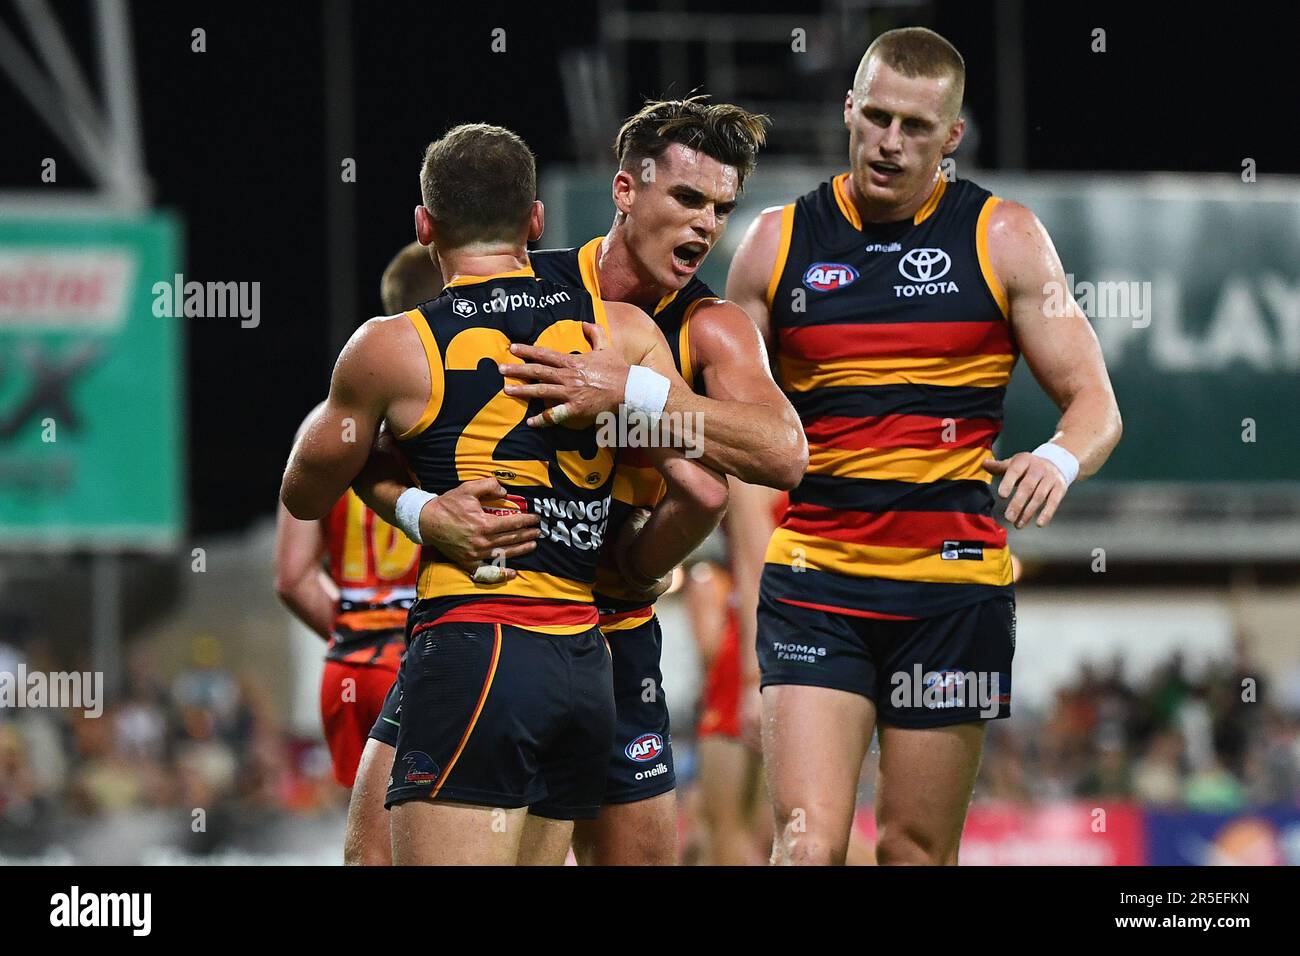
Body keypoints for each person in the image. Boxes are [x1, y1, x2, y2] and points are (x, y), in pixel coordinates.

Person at [352, 97, 807, 864]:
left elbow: (783, 453)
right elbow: (361, 443)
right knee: (370, 852)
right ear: (626, 191)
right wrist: (424, 508)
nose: (705, 224)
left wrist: (633, 395)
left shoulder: (709, 328)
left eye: (721, 208)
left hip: (611, 638)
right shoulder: (529, 286)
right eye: (687, 198)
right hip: (486, 620)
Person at [724, 27, 1122, 865]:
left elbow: (1095, 404)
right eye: (875, 118)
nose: (890, 143)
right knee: (805, 842)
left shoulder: (1004, 236)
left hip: (954, 597)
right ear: (848, 111)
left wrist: (1057, 457)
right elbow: (740, 432)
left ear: (953, 136)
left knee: (913, 849)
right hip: (815, 584)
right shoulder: (773, 245)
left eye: (915, 125)